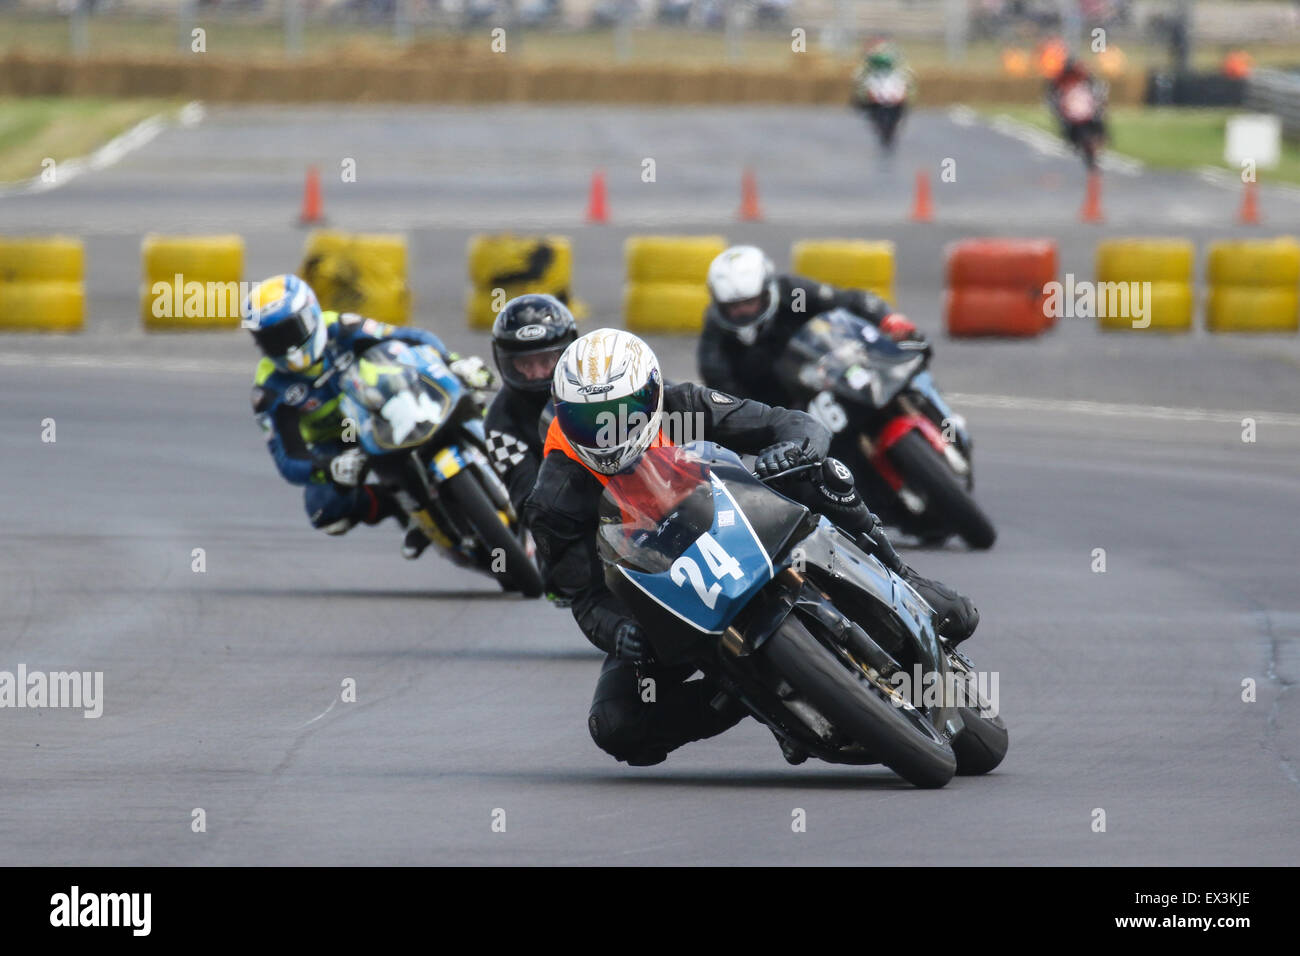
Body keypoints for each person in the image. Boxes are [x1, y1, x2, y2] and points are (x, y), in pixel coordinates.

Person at [525, 328, 978, 767]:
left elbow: (792, 423)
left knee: (818, 471)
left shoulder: (683, 404)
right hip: (668, 591)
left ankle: (901, 574)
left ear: (652, 396)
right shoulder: (553, 500)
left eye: (623, 413)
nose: (608, 432)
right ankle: (742, 696)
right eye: (589, 419)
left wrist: (793, 450)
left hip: (741, 521)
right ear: (563, 415)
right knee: (615, 724)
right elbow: (583, 598)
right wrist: (619, 633)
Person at [244, 274, 493, 555]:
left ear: (311, 316)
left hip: (380, 404)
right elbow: (287, 457)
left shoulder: (342, 327)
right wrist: (327, 466)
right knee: (326, 512)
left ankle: (497, 450)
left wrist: (451, 360)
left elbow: (410, 338)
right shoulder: (268, 389)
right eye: (271, 340)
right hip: (340, 442)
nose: (285, 347)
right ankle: (406, 511)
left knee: (464, 390)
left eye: (289, 332)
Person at [483, 294, 577, 514]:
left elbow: (658, 392)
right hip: (573, 517)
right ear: (507, 362)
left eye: (546, 361)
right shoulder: (500, 423)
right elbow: (529, 503)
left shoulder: (596, 376)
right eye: (525, 364)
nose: (537, 374)